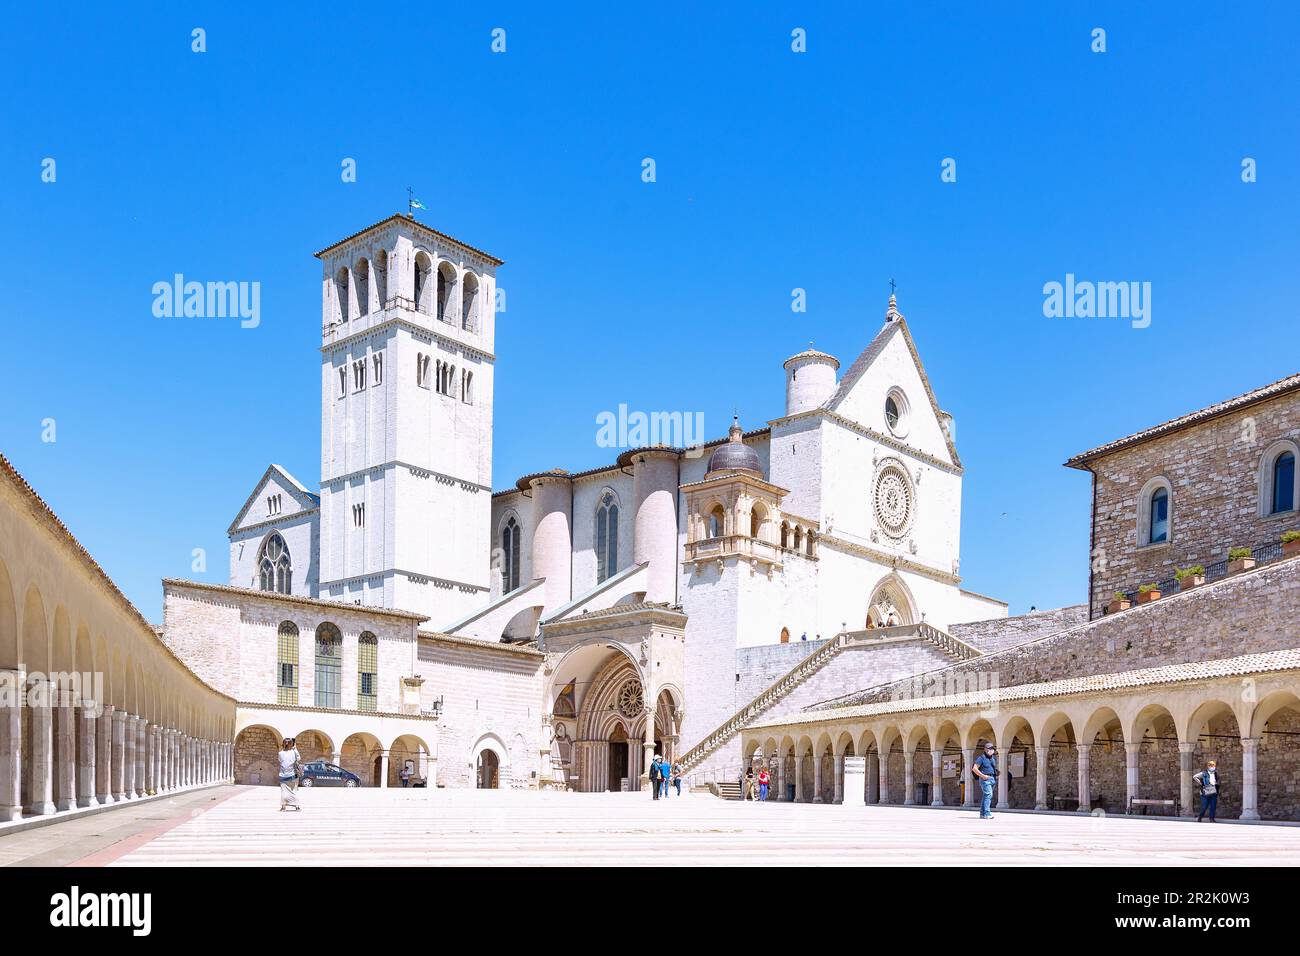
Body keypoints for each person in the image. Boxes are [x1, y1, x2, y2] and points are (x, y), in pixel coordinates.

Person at [971, 741, 998, 819]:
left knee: (986, 796)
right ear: (985, 749)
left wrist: (996, 772)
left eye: (992, 749)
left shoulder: (992, 758)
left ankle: (982, 813)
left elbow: (992, 768)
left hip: (992, 778)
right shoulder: (981, 758)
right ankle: (987, 813)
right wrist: (982, 776)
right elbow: (974, 769)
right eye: (990, 749)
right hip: (985, 779)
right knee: (988, 795)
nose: (991, 750)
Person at [278, 737, 302, 811]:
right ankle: (297, 806)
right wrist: (295, 748)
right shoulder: (293, 752)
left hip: (282, 775)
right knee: (294, 790)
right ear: (292, 744)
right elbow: (298, 758)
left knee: (283, 791)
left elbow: (280, 760)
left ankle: (283, 807)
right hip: (292, 775)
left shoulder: (280, 753)